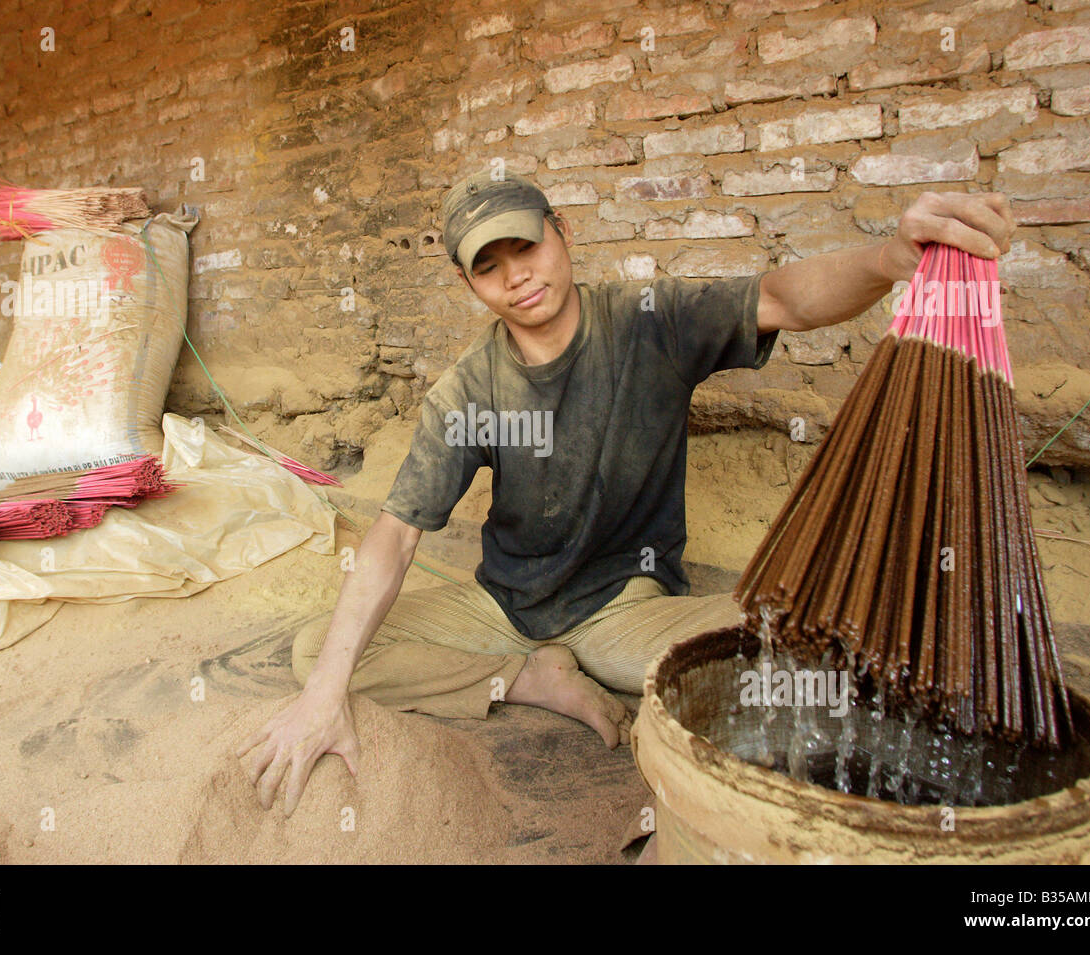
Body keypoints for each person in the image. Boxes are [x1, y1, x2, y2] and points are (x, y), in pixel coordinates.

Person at [238, 170, 1016, 814]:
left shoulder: (652, 322)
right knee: (321, 653)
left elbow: (783, 298)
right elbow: (396, 535)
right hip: (505, 613)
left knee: (802, 645)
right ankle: (528, 680)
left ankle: (597, 667)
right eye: (488, 264)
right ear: (469, 282)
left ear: (562, 231)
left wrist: (888, 256)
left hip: (631, 611)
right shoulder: (465, 391)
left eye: (527, 244)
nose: (518, 275)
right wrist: (325, 698)